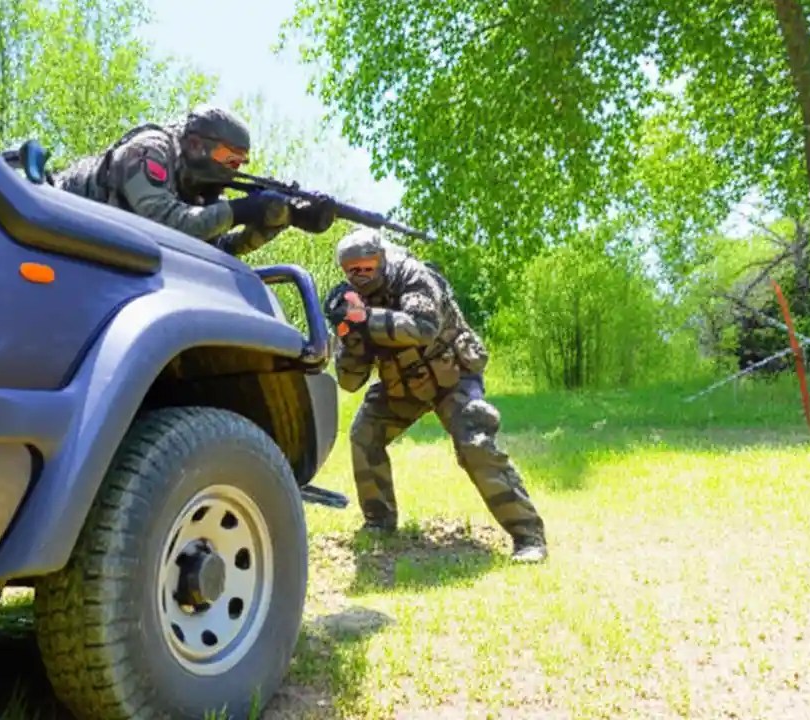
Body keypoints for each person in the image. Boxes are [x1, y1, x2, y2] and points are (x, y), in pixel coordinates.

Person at [325, 228, 548, 563]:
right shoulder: (353, 304)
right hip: (402, 386)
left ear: (382, 260)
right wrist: (349, 332)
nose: (361, 275)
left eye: (367, 266)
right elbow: (350, 381)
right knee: (364, 434)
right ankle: (379, 522)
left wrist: (365, 318)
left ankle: (529, 536)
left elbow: (423, 326)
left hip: (452, 377)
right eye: (352, 270)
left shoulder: (413, 276)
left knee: (474, 442)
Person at [53, 104, 334, 257]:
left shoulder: (201, 186)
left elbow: (220, 250)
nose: (235, 169)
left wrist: (274, 221)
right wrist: (243, 210)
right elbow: (164, 221)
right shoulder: (149, 150)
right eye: (231, 159)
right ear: (199, 145)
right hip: (54, 230)